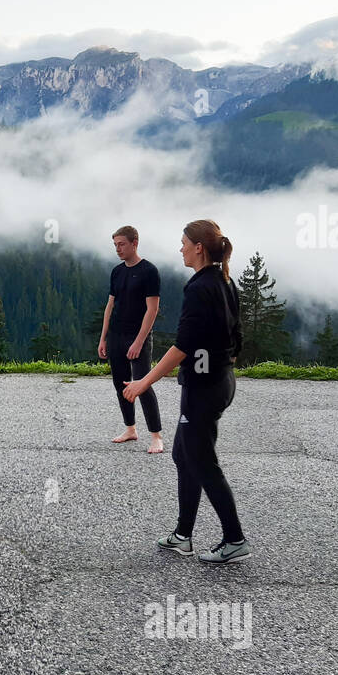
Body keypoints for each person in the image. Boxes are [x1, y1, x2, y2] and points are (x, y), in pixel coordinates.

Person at [122, 220, 251, 563]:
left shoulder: (199, 287)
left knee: (203, 461)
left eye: (183, 243)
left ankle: (234, 539)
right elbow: (237, 334)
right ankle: (183, 535)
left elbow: (182, 346)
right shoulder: (224, 280)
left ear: (198, 247)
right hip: (219, 380)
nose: (179, 248)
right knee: (184, 455)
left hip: (204, 388)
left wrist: (143, 382)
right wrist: (221, 363)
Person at [98, 225, 163, 453]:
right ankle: (130, 429)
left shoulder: (149, 271)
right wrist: (103, 337)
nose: (118, 249)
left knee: (143, 384)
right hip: (116, 335)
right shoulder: (117, 271)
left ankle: (156, 436)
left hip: (138, 337)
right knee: (121, 383)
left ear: (135, 243)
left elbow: (152, 309)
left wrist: (139, 341)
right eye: (115, 245)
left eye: (122, 244)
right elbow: (110, 305)